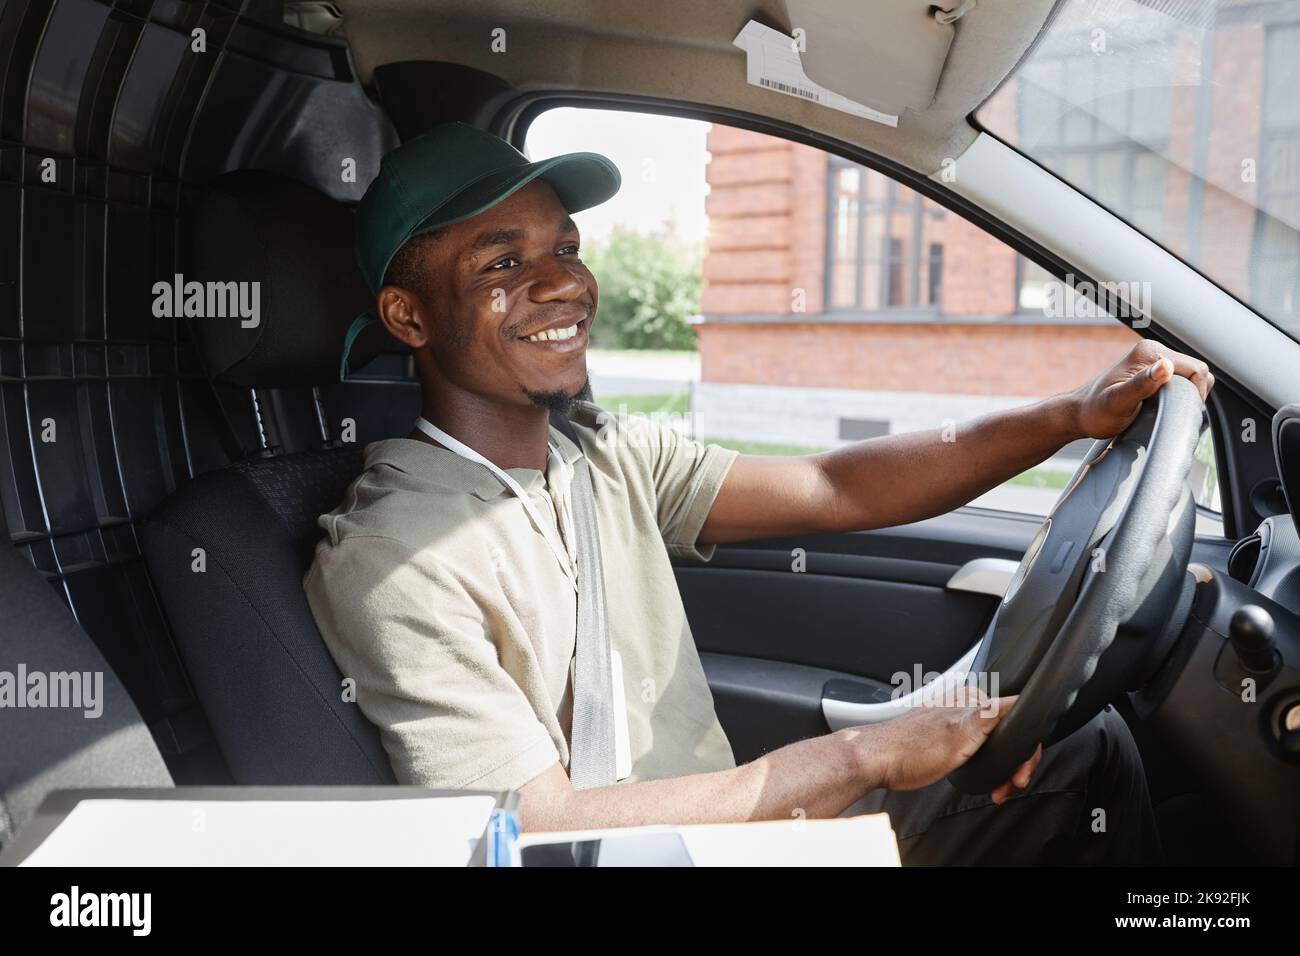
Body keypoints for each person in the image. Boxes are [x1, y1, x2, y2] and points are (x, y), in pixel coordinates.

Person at [306, 123, 1213, 864]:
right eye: (502, 265)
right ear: (409, 317)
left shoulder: (602, 455)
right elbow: (535, 828)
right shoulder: (393, 559)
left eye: (566, 248)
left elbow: (833, 485)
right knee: (1078, 775)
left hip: (724, 829)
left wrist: (1067, 416)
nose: (563, 283)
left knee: (1081, 751)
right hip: (643, 858)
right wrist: (866, 753)